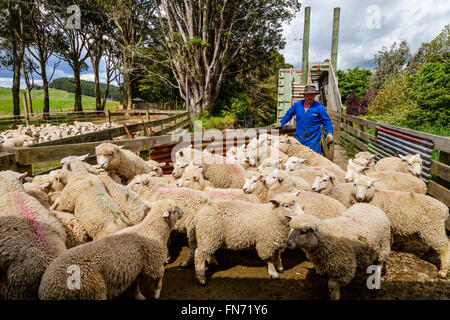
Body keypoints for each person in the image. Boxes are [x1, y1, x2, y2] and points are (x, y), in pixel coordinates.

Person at [274, 85, 334, 154]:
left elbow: (326, 121)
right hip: (298, 140)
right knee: (297, 160)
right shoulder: (298, 105)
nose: (310, 97)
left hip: (313, 141)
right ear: (304, 95)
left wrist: (329, 132)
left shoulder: (319, 107)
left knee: (312, 162)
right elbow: (289, 114)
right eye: (308, 95)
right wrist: (281, 122)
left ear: (315, 95)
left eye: (312, 95)